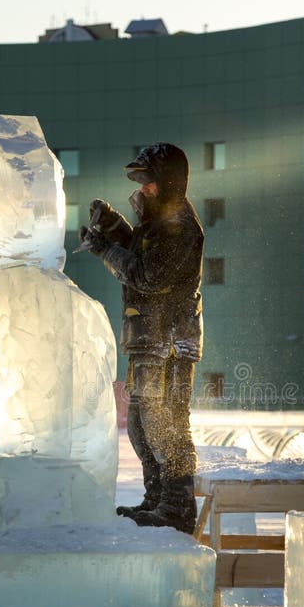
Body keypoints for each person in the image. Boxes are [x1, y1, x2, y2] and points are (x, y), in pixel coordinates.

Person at [78, 142, 204, 535]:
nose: (144, 188)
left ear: (168, 181)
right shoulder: (159, 222)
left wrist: (104, 249)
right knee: (140, 424)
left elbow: (148, 275)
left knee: (165, 423)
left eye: (149, 181)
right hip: (149, 339)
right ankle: (157, 499)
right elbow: (141, 249)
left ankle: (178, 507)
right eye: (140, 182)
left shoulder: (180, 226)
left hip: (170, 341)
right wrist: (114, 225)